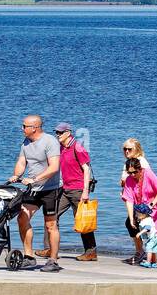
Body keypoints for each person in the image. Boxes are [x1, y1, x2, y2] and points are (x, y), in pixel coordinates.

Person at [7, 114, 64, 273]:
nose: (22, 128)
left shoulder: (50, 141)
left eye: (24, 126)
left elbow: (54, 167)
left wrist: (35, 179)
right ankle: (29, 256)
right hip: (33, 189)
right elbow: (21, 162)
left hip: (51, 189)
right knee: (22, 218)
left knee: (50, 225)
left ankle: (53, 260)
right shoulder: (26, 142)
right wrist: (17, 176)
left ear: (34, 128)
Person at [121, 156, 157, 268]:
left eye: (134, 172)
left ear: (140, 169)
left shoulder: (148, 173)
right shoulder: (129, 180)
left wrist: (152, 205)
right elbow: (128, 200)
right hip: (144, 207)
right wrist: (132, 218)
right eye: (130, 172)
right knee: (145, 229)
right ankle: (151, 259)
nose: (132, 175)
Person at [54, 122, 97, 261]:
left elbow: (87, 169)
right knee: (52, 216)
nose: (57, 135)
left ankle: (91, 252)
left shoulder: (77, 147)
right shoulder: (61, 147)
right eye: (57, 132)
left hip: (78, 190)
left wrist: (85, 191)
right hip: (65, 189)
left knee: (82, 220)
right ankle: (51, 248)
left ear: (68, 133)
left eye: (60, 133)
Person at [119, 138, 151, 264]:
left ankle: (142, 252)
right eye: (124, 149)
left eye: (129, 149)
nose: (126, 151)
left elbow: (145, 179)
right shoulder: (128, 162)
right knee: (132, 224)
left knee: (133, 224)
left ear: (136, 149)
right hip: (133, 198)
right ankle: (141, 252)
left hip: (142, 200)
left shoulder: (141, 162)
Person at [133, 204, 157, 269]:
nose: (136, 215)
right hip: (155, 236)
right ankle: (154, 262)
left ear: (143, 214)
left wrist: (140, 233)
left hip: (151, 238)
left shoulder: (146, 221)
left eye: (137, 214)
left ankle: (148, 262)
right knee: (153, 250)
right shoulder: (148, 218)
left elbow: (147, 228)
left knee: (148, 249)